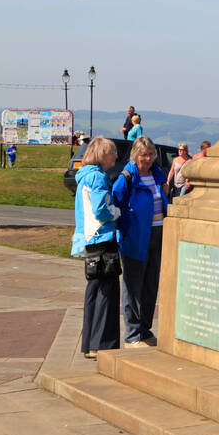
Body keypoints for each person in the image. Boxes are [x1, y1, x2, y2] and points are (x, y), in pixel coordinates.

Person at [112, 136, 167, 348]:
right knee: (133, 286)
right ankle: (132, 334)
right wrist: (126, 226)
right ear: (135, 155)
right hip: (135, 236)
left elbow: (164, 200)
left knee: (151, 284)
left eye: (151, 154)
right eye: (144, 154)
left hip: (157, 233)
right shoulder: (126, 177)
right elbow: (116, 205)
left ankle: (145, 329)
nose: (148, 158)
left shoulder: (157, 175)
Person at [71, 136, 122, 359]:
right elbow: (102, 209)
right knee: (106, 293)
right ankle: (101, 343)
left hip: (89, 240)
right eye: (112, 152)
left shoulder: (84, 176)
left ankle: (90, 344)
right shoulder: (99, 178)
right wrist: (117, 212)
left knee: (93, 291)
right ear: (102, 154)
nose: (116, 157)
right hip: (102, 237)